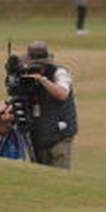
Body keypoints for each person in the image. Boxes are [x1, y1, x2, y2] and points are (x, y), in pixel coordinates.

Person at [15, 40, 78, 168]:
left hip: (60, 135)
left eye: (39, 65)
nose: (37, 68)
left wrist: (42, 80)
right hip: (38, 135)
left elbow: (62, 94)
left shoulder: (59, 73)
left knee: (60, 177)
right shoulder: (26, 76)